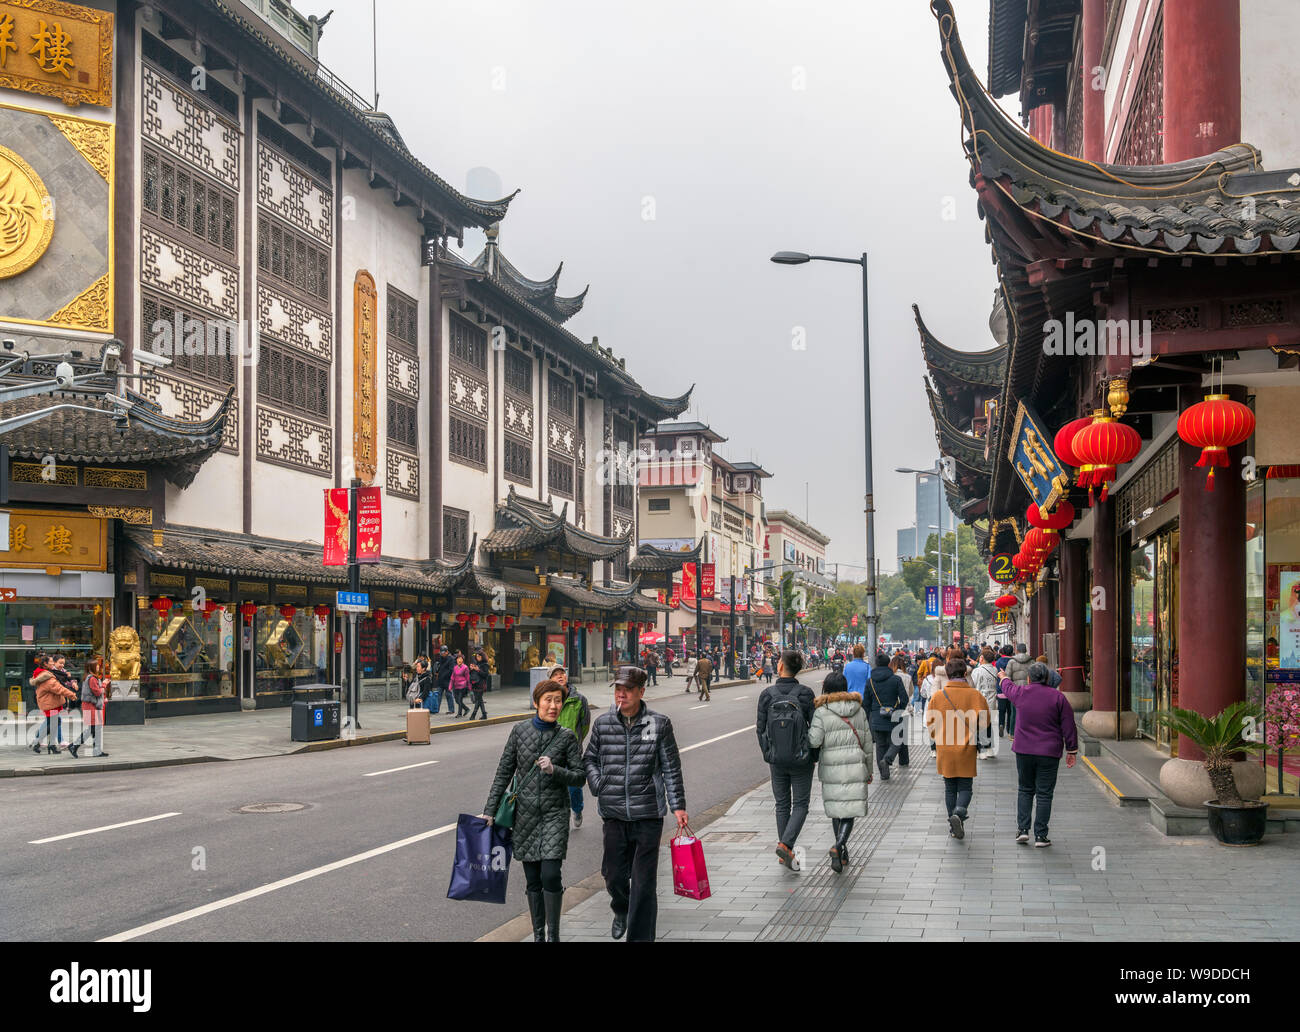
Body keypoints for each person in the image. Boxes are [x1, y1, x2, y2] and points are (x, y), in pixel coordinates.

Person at [584, 666, 688, 942]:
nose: (622, 694)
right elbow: (590, 759)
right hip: (614, 813)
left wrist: (677, 805)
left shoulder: (659, 724)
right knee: (614, 877)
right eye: (618, 689)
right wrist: (598, 784)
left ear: (641, 692)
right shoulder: (603, 723)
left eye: (628, 689)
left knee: (644, 884)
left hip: (648, 816)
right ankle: (621, 908)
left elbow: (670, 767)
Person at [480, 678, 586, 941]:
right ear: (537, 702)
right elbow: (503, 772)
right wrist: (489, 810)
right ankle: (538, 934)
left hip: (554, 813)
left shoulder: (567, 737)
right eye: (548, 700)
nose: (553, 706)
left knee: (551, 874)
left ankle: (553, 934)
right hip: (525, 815)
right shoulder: (519, 731)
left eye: (558, 700)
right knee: (532, 879)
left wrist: (555, 770)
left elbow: (579, 777)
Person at [1002, 661, 1078, 847]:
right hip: (1049, 752)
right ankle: (1041, 835)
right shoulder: (1058, 697)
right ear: (1046, 678)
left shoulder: (1021, 693)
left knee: (1025, 789)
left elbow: (1007, 687)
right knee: (1044, 794)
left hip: (1024, 751)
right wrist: (1072, 750)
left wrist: (1003, 677)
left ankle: (1023, 830)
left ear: (1029, 678)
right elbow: (1069, 725)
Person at [755, 650, 816, 871]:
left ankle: (785, 851)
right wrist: (812, 754)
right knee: (800, 805)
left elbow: (760, 729)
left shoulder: (767, 694)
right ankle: (785, 845)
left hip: (776, 760)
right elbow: (814, 728)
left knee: (782, 804)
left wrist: (768, 753)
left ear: (780, 666)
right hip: (801, 760)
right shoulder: (805, 694)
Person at [807, 668, 871, 873]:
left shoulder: (821, 711)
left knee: (837, 810)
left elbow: (814, 741)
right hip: (855, 766)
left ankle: (839, 847)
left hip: (832, 767)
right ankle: (840, 847)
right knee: (849, 811)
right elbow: (868, 743)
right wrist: (869, 770)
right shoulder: (859, 710)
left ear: (825, 688)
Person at [925, 655, 990, 840]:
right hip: (967, 746)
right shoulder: (975, 695)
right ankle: (959, 813)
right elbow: (985, 722)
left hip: (945, 747)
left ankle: (953, 826)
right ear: (964, 673)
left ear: (947, 673)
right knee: (966, 787)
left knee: (950, 788)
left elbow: (930, 722)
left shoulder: (938, 696)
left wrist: (937, 737)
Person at [551, 665, 591, 829]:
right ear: (550, 679)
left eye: (562, 673)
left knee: (574, 786)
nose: (560, 676)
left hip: (572, 751)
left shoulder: (579, 699)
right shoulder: (548, 699)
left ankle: (577, 809)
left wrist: (577, 741)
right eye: (556, 675)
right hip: (552, 751)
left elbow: (585, 724)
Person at [865, 652, 909, 781]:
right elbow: (904, 698)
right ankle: (888, 759)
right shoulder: (896, 679)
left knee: (880, 745)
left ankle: (884, 773)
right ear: (889, 664)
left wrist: (869, 718)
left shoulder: (870, 681)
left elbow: (866, 703)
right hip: (894, 716)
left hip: (877, 717)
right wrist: (898, 710)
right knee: (897, 741)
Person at [31, 653, 76, 755]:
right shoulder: (47, 677)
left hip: (50, 702)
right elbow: (58, 688)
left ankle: (48, 745)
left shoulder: (45, 673)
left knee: (54, 722)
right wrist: (71, 694)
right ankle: (40, 743)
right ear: (45, 664)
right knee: (54, 723)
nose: (53, 664)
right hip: (49, 703)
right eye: (51, 662)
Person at [68, 656, 109, 758]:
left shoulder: (90, 678)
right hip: (91, 706)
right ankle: (74, 745)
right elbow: (97, 692)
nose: (99, 667)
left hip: (91, 705)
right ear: (92, 667)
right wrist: (104, 685)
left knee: (95, 729)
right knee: (93, 728)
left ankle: (96, 750)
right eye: (97, 666)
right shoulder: (92, 679)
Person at [970, 647, 1002, 759]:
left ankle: (981, 751)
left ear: (982, 658)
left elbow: (972, 685)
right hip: (992, 701)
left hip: (980, 700)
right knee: (989, 725)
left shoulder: (977, 671)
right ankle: (989, 749)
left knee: (979, 726)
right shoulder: (994, 670)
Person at [1003, 643, 1033, 739]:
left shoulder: (1012, 661)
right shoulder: (1032, 661)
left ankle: (1012, 733)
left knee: (1014, 712)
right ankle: (1027, 733)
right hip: (1029, 689)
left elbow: (1007, 676)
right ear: (1026, 650)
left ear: (1017, 650)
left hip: (1015, 689)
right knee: (1028, 712)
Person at [890, 654, 915, 766]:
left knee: (891, 735)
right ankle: (903, 760)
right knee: (903, 736)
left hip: (891, 709)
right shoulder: (907, 677)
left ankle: (889, 756)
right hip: (904, 709)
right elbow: (911, 692)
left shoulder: (891, 676)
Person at [448, 651, 472, 718]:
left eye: (461, 659)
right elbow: (452, 677)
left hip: (463, 686)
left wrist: (469, 687)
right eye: (458, 659)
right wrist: (450, 686)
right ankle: (466, 709)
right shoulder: (455, 667)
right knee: (456, 700)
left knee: (460, 699)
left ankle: (459, 713)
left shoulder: (465, 667)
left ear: (463, 660)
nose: (459, 660)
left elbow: (467, 678)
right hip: (456, 686)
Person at [468, 650, 490, 720]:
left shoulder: (485, 664)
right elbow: (473, 674)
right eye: (477, 656)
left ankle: (473, 715)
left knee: (478, 700)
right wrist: (471, 669)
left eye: (479, 656)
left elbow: (485, 675)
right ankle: (484, 714)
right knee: (479, 700)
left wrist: (478, 670)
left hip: (481, 684)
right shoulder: (476, 663)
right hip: (475, 683)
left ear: (482, 657)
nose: (477, 657)